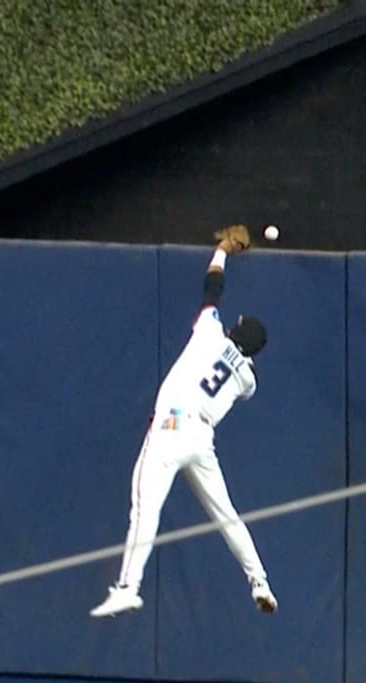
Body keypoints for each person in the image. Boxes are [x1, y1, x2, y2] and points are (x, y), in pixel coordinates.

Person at [89, 224, 278, 618]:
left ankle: (128, 587)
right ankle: (259, 580)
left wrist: (223, 251)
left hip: (172, 428)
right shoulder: (248, 379)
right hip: (200, 440)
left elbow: (212, 290)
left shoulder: (210, 333)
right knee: (227, 515)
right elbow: (241, 364)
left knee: (145, 508)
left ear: (235, 329)